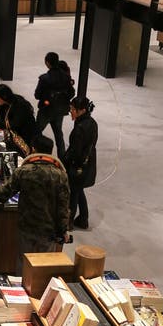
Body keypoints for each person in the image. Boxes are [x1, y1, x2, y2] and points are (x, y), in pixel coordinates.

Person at [0, 134, 70, 267]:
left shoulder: (24, 171)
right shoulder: (60, 175)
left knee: (23, 264)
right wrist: (63, 230)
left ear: (33, 149)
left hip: (26, 227)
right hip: (49, 231)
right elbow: (63, 207)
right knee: (44, 267)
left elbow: (4, 193)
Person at [63, 96, 98, 230]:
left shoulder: (79, 129)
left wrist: (66, 161)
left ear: (82, 110)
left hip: (78, 166)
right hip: (88, 163)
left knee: (73, 193)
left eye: (73, 109)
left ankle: (68, 222)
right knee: (79, 190)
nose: (70, 112)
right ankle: (83, 219)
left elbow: (76, 152)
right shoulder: (93, 123)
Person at [34, 51, 75, 159]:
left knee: (36, 132)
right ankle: (62, 159)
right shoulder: (66, 77)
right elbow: (72, 92)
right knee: (59, 135)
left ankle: (33, 153)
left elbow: (37, 95)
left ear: (47, 63)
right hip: (60, 111)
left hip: (46, 110)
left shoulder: (44, 78)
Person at [0, 83, 38, 158]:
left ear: (4, 96)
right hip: (15, 135)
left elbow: (13, 125)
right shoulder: (5, 105)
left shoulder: (20, 105)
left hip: (25, 135)